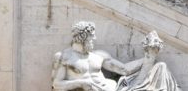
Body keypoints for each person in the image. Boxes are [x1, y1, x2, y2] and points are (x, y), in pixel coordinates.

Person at [51, 22, 180, 91]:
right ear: (82, 37)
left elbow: (124, 69)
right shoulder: (66, 57)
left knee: (160, 68)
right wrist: (82, 83)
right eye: (91, 36)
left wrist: (148, 56)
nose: (94, 39)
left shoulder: (98, 55)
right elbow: (57, 84)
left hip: (118, 88)